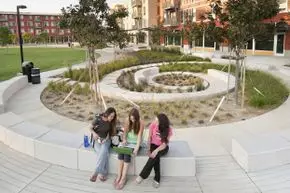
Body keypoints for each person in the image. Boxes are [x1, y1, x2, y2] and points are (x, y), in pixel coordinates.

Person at [135, 113, 173, 188]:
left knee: (155, 155)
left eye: (157, 121)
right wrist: (149, 149)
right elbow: (149, 138)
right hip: (153, 145)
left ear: (162, 122)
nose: (155, 122)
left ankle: (142, 176)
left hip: (163, 147)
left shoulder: (169, 129)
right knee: (155, 158)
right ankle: (157, 178)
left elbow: (165, 144)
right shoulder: (153, 125)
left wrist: (156, 151)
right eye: (155, 120)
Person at [114, 108, 144, 190]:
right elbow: (125, 133)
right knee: (121, 152)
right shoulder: (127, 120)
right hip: (128, 142)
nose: (132, 120)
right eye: (131, 118)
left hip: (136, 144)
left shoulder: (141, 122)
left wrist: (136, 149)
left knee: (127, 154)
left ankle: (123, 178)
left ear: (137, 118)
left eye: (134, 119)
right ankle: (119, 175)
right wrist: (124, 140)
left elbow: (139, 138)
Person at [89, 107, 117, 182]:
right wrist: (94, 134)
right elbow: (90, 128)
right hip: (97, 139)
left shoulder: (111, 122)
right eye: (111, 116)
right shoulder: (98, 119)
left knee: (104, 150)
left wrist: (106, 139)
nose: (112, 118)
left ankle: (96, 172)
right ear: (107, 114)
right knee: (103, 153)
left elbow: (109, 133)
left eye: (113, 117)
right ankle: (103, 173)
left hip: (106, 140)